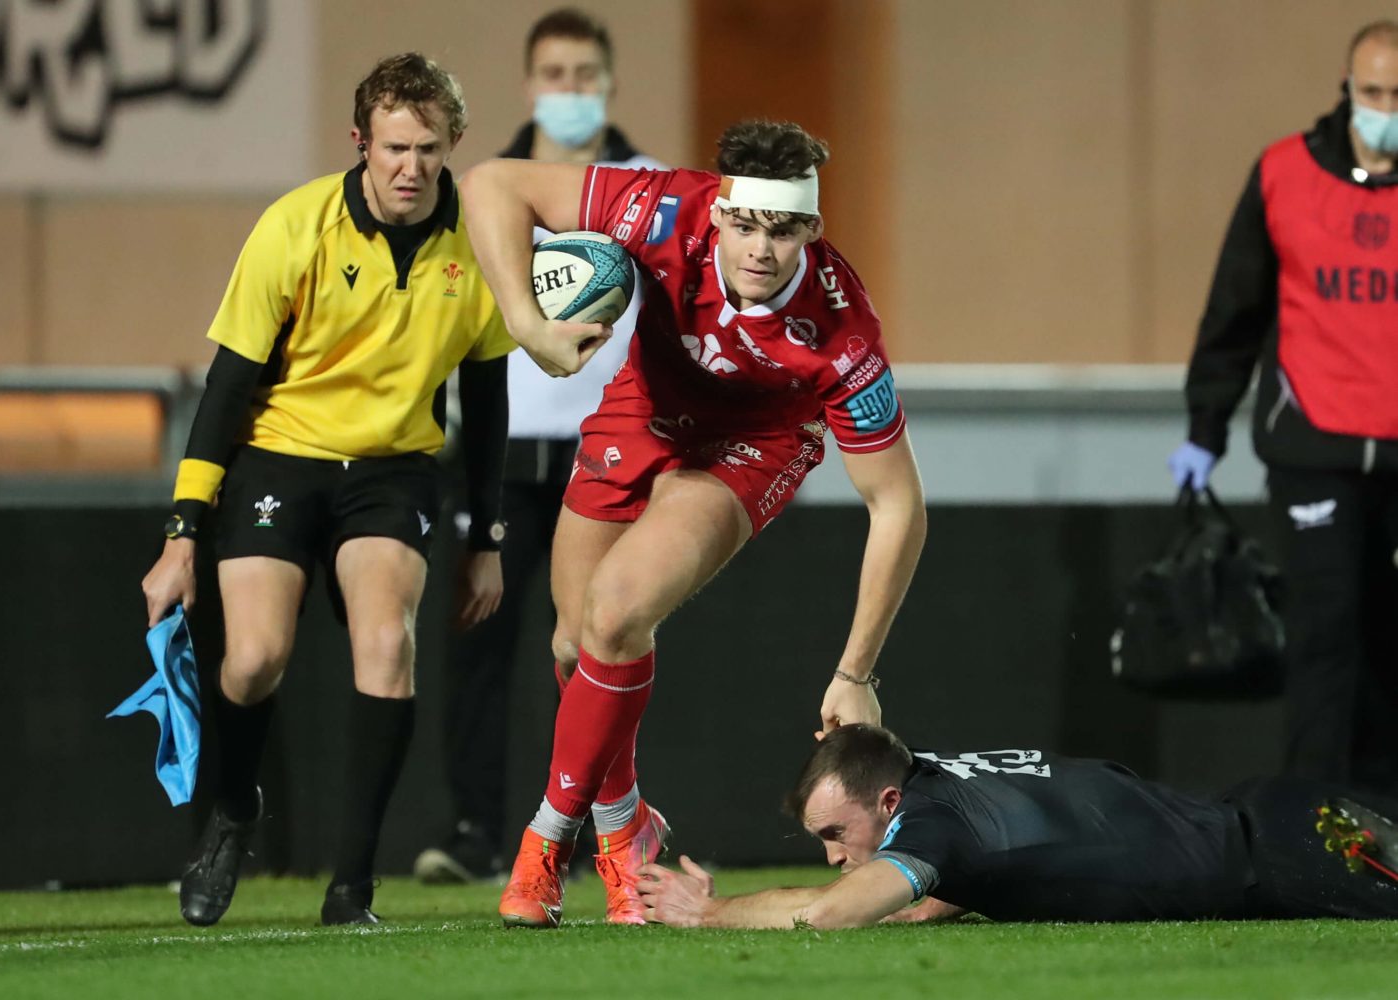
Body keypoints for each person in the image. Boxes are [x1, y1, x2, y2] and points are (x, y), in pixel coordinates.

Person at [460, 119, 928, 927]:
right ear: (718, 212)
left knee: (617, 612)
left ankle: (546, 840)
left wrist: (856, 672)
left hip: (753, 447)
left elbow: (899, 505)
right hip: (645, 409)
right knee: (575, 647)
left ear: (812, 230)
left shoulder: (843, 334)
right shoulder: (666, 209)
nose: (759, 249)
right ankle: (625, 825)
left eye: (782, 231)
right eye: (744, 224)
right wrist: (527, 326)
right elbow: (489, 184)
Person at [139, 53, 514, 927]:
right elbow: (227, 387)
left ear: (453, 143)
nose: (411, 167)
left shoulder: (481, 241)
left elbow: (489, 401)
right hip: (279, 454)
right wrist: (183, 530)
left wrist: (485, 538)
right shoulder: (294, 225)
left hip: (393, 468)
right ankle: (235, 808)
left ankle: (352, 888)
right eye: (394, 148)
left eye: (428, 148)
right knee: (253, 659)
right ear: (360, 142)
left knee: (386, 646)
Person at [415, 7, 665, 886]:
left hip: (615, 455)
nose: (570, 90)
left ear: (610, 83)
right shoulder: (490, 190)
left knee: (604, 645)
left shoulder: (649, 188)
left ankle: (602, 834)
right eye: (555, 75)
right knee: (477, 645)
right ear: (529, 85)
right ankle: (477, 832)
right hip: (504, 455)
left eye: (584, 75)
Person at [1169, 20, 1398, 793]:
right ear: (1348, 90)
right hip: (1313, 446)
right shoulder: (1284, 175)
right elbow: (1234, 310)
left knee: (1387, 638)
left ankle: (1385, 814)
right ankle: (1315, 819)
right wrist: (1206, 428)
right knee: (1325, 632)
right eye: (1374, 92)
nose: (1386, 110)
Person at [639, 724, 1398, 928]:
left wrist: (709, 913)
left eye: (836, 833)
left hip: (1289, 858)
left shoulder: (934, 825)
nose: (835, 855)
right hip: (1268, 809)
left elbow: (832, 914)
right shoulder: (934, 774)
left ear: (889, 803)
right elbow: (936, 894)